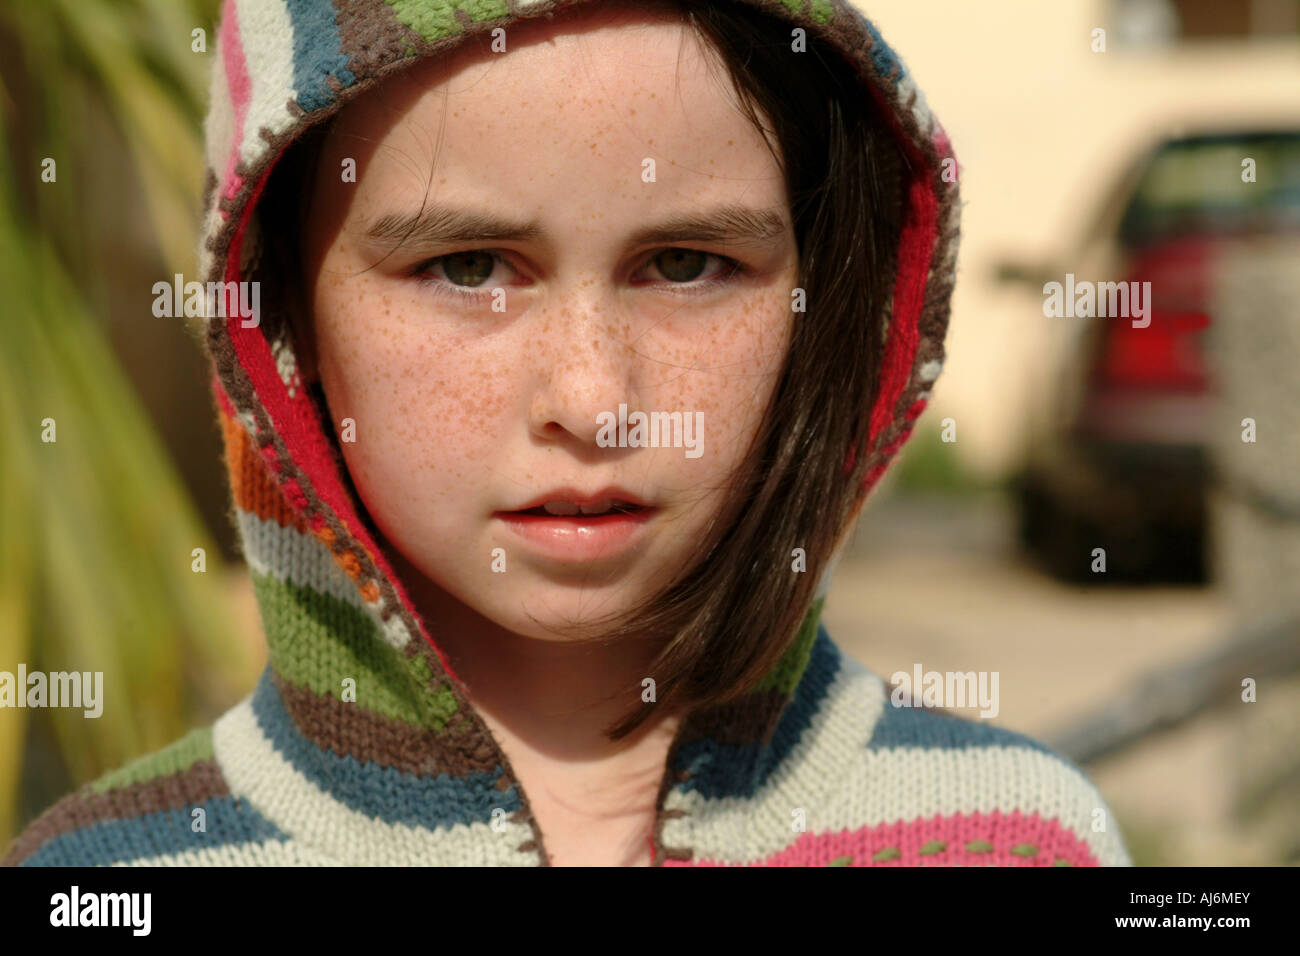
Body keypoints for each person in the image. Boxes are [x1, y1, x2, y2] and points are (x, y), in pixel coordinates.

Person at [5, 0, 1131, 867]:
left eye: (687, 264)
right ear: (280, 317)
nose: (593, 400)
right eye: (467, 267)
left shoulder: (1020, 841)